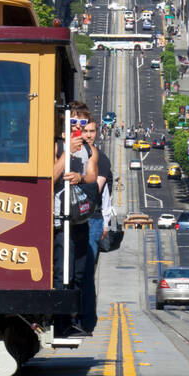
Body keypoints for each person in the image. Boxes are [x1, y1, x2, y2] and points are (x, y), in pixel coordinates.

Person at [53, 104, 99, 338]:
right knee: (63, 272)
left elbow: (92, 176)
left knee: (80, 273)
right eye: (74, 124)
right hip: (58, 220)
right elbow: (49, 177)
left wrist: (80, 177)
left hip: (79, 219)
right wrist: (65, 154)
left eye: (82, 124)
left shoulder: (90, 150)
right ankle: (59, 322)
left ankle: (76, 319)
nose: (79, 129)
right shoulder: (56, 145)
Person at [81, 118, 114, 334]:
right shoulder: (73, 154)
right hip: (74, 217)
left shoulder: (100, 159)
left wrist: (76, 179)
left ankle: (87, 319)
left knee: (86, 271)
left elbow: (95, 189)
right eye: (85, 130)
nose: (89, 135)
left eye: (92, 131)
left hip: (92, 219)